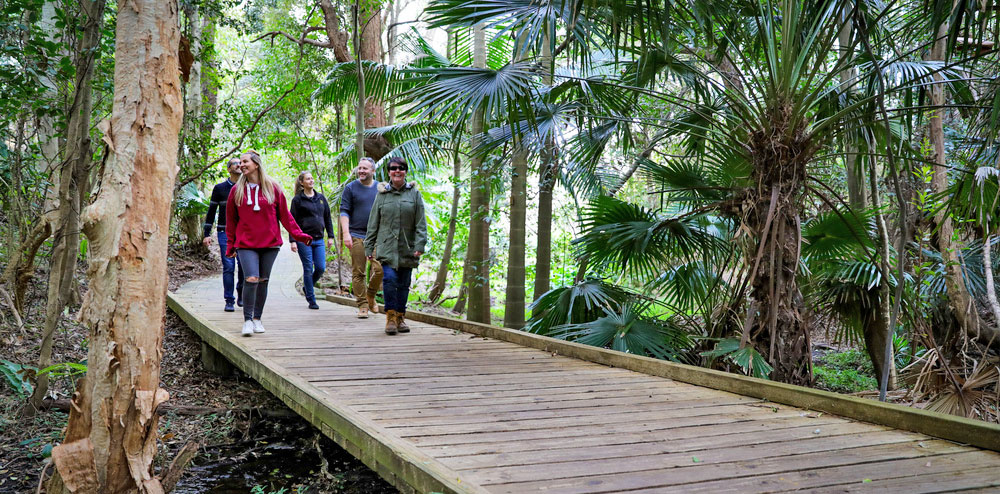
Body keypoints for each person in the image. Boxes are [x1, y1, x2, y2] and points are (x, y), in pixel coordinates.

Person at [226, 150, 313, 337]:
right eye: (240, 162)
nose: (241, 165)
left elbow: (285, 216)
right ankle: (247, 320)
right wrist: (230, 244)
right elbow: (231, 220)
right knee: (251, 278)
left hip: (270, 243)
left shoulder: (273, 188)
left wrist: (299, 235)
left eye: (245, 161)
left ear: (256, 164)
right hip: (245, 243)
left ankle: (257, 319)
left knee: (263, 281)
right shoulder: (236, 190)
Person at [365, 157, 427, 335]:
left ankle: (401, 317)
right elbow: (373, 223)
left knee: (404, 283)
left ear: (406, 171)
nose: (397, 171)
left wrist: (420, 244)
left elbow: (421, 223)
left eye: (401, 168)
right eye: (393, 168)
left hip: (408, 248)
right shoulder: (382, 194)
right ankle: (390, 317)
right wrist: (369, 247)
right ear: (389, 172)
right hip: (387, 248)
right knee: (390, 280)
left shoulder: (414, 194)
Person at [340, 157, 383, 319]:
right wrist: (346, 234)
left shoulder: (381, 188)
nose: (361, 171)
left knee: (379, 269)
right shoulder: (350, 188)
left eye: (365, 168)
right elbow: (344, 211)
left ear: (372, 170)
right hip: (356, 235)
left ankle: (370, 295)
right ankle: (363, 305)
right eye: (360, 168)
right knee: (358, 272)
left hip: (377, 236)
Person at [203, 158, 244, 312]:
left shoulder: (247, 187)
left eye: (241, 163)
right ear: (229, 169)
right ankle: (229, 300)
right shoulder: (219, 188)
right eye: (235, 163)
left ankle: (241, 293)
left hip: (244, 233)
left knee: (244, 267)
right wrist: (207, 233)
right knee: (228, 266)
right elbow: (211, 212)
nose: (239, 165)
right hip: (224, 232)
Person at [289, 171, 336, 310]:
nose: (311, 181)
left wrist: (331, 236)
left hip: (319, 239)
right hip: (304, 240)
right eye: (308, 179)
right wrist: (292, 240)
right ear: (302, 183)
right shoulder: (297, 200)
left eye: (312, 178)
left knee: (320, 268)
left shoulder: (321, 198)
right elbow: (292, 221)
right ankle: (311, 299)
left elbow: (327, 217)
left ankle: (307, 286)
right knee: (308, 268)